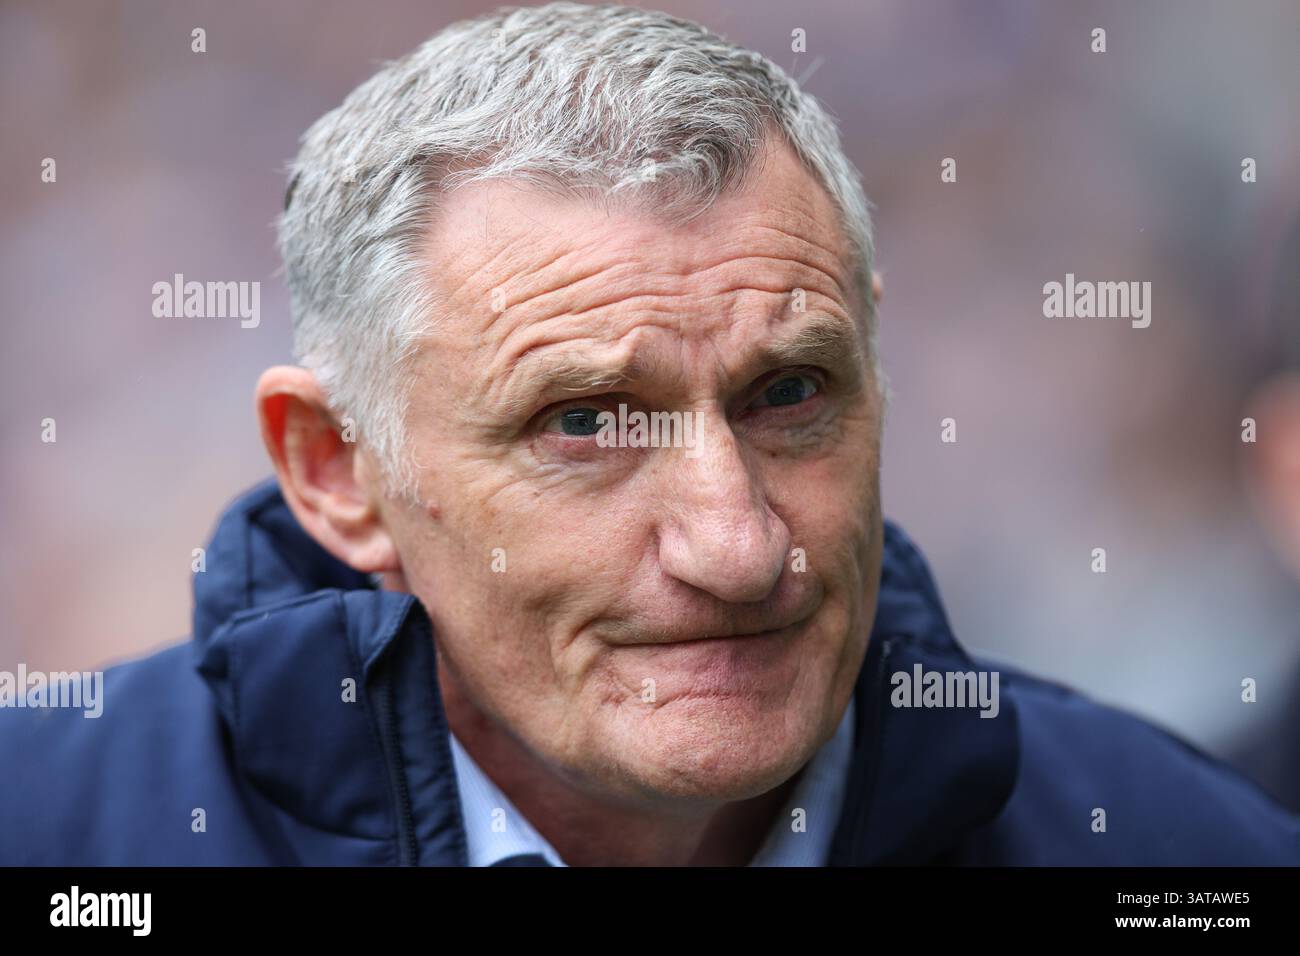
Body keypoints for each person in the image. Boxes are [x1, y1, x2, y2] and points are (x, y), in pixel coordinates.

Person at [2, 2, 1294, 866]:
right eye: (584, 423)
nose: (735, 544)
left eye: (789, 394)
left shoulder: (1185, 853)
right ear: (339, 472)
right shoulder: (54, 830)